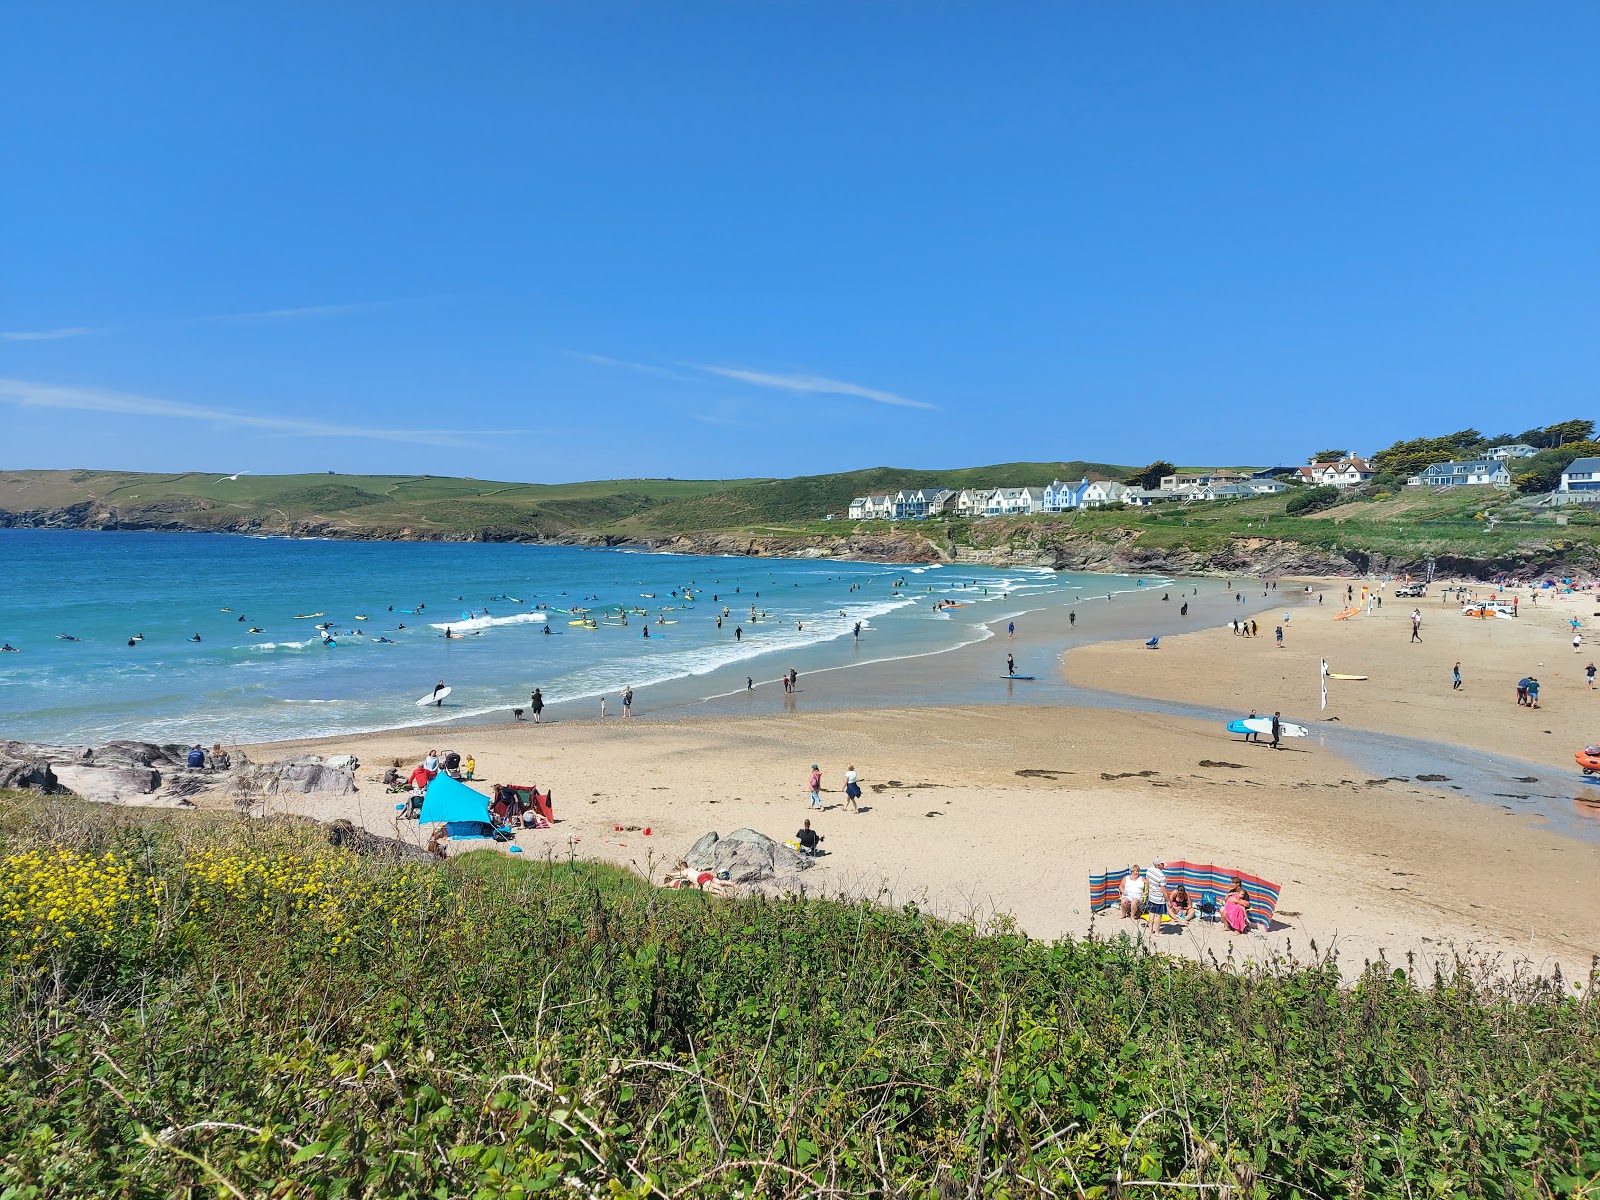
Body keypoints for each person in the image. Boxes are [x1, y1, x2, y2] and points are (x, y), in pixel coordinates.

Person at [1144, 859, 1168, 936]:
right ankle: (1157, 932)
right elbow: (1163, 890)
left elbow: (1147, 881)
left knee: (1151, 913)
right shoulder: (1161, 876)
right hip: (1159, 898)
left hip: (1151, 896)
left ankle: (1150, 930)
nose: (1164, 865)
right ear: (1158, 865)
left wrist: (1147, 890)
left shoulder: (1149, 870)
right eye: (1162, 864)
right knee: (1158, 915)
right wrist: (1168, 900)